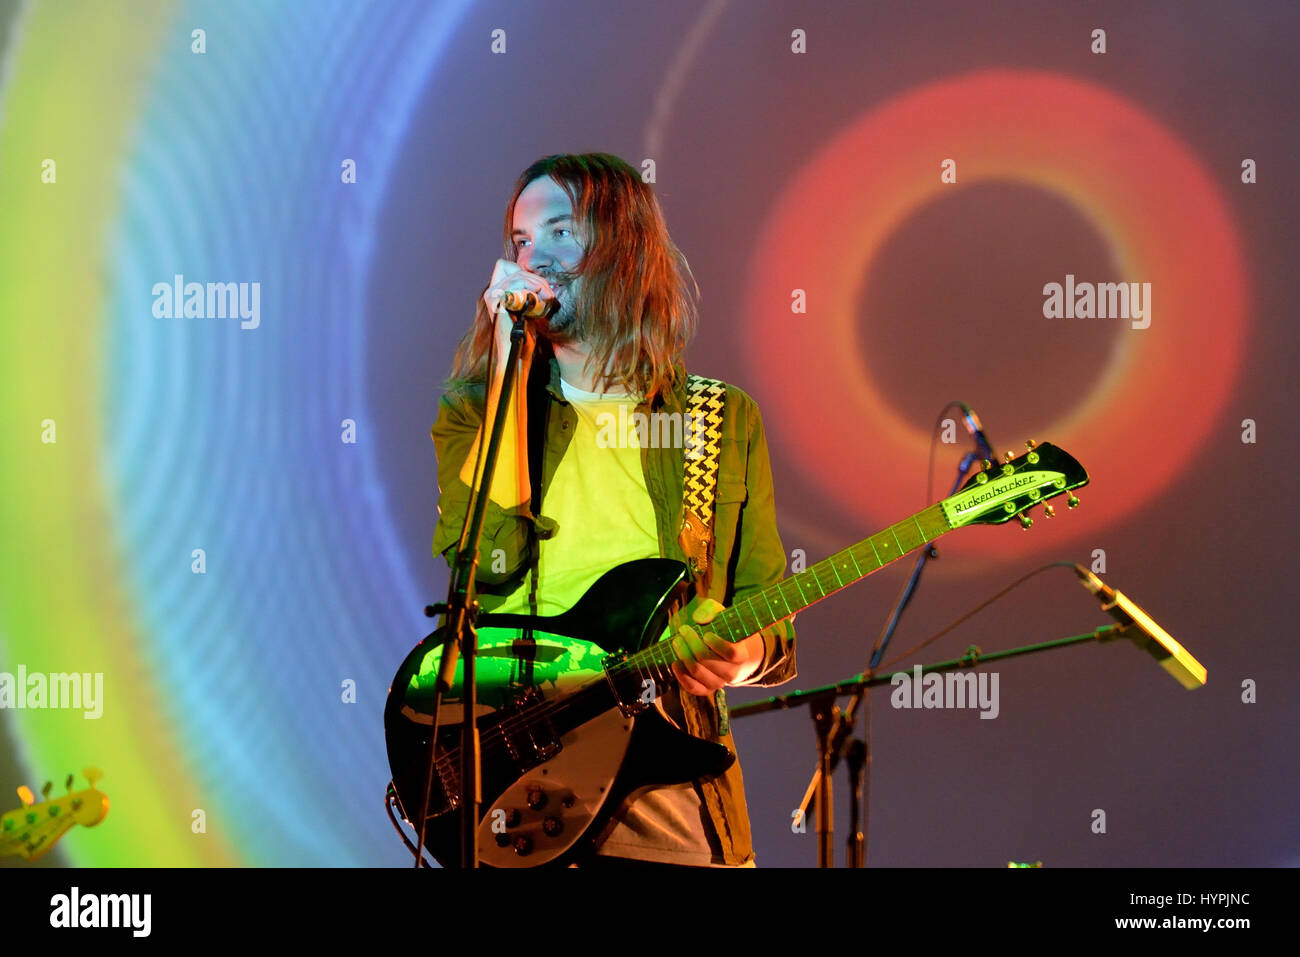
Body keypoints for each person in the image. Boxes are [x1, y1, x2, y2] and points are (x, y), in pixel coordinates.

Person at [430, 152, 795, 867]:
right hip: (522, 777)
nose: (534, 258)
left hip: (672, 794)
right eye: (520, 242)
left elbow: (771, 618)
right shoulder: (474, 411)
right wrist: (507, 359)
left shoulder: (719, 419)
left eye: (560, 232)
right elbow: (488, 564)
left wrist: (737, 649)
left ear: (623, 245)